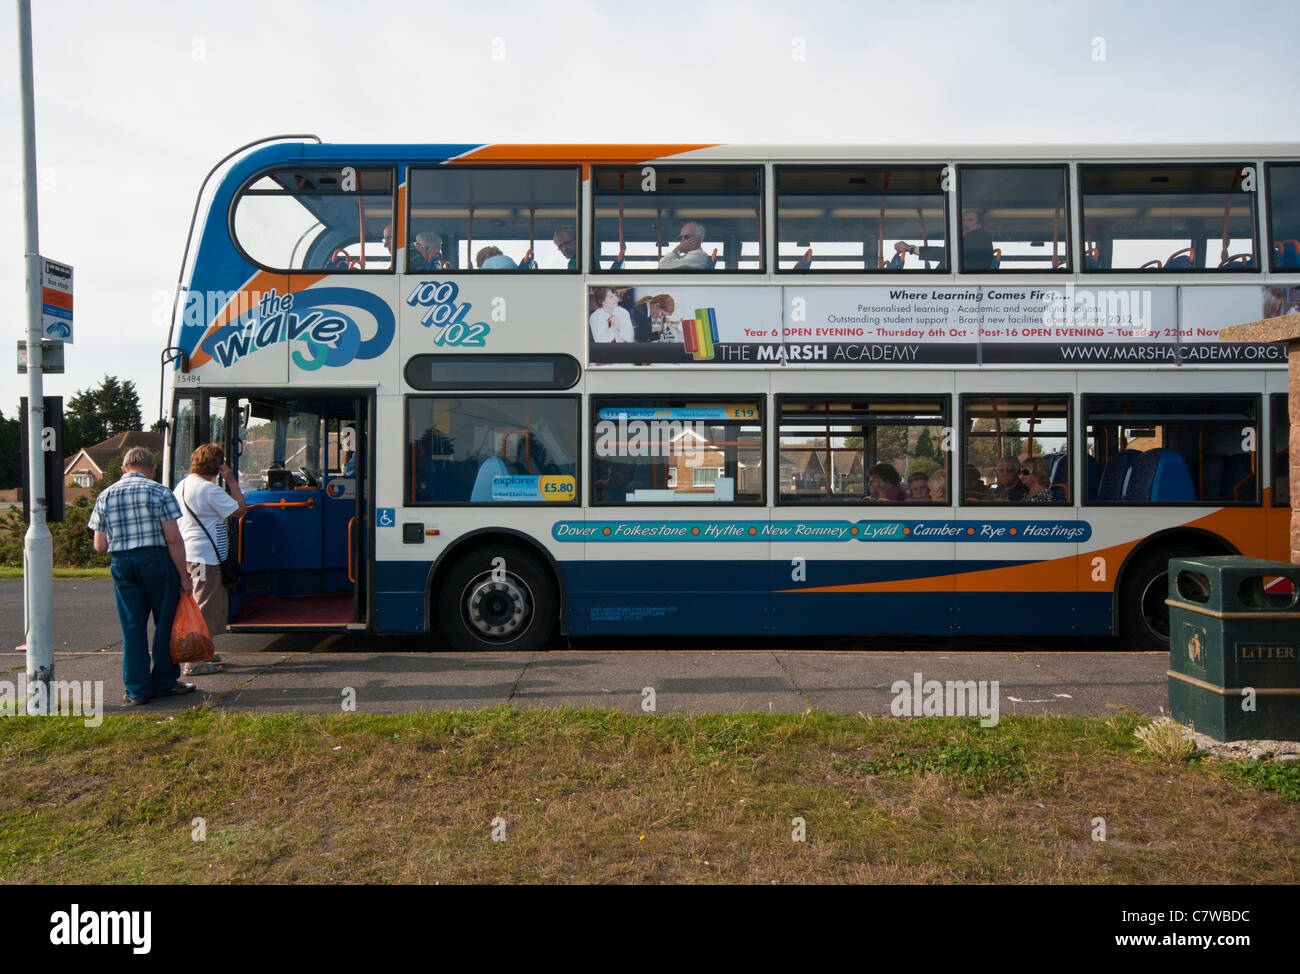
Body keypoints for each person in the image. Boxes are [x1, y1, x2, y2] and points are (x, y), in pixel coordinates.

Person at [88, 446, 195, 705]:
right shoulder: (160, 492)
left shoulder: (106, 495)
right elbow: (173, 538)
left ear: (124, 468)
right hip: (156, 560)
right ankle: (165, 682)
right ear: (153, 468)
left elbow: (100, 545)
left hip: (122, 563)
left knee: (133, 627)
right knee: (165, 623)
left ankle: (137, 689)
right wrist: (184, 575)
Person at [174, 443, 247, 675]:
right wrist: (232, 482)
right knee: (204, 606)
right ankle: (194, 661)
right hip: (205, 557)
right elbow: (240, 510)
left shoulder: (182, 485)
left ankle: (203, 650)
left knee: (202, 603)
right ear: (218, 466)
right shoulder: (209, 490)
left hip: (191, 555)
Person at [895, 208, 996, 270]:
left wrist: (910, 248)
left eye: (970, 220)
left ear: (979, 225)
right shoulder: (963, 240)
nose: (964, 223)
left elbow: (947, 254)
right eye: (963, 220)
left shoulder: (979, 238)